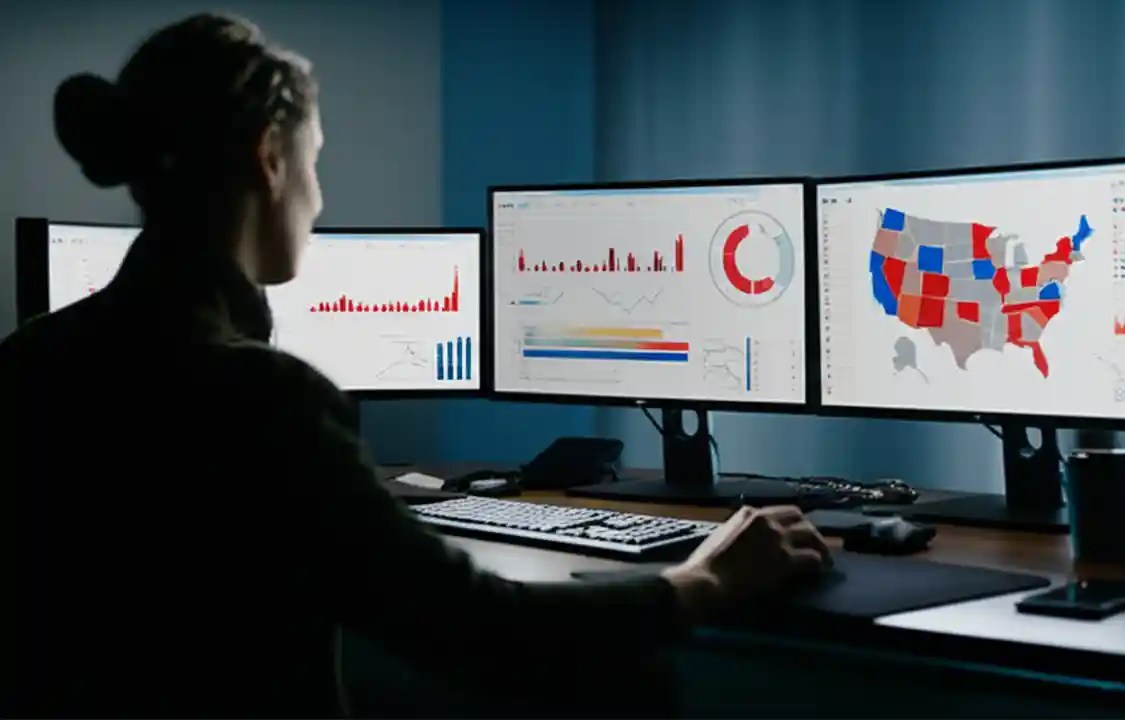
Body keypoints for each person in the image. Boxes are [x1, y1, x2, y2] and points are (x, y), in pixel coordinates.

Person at [0, 13, 830, 718]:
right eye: (314, 162)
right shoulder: (266, 399)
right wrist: (704, 581)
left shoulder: (28, 360)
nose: (318, 200)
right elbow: (479, 630)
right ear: (268, 158)